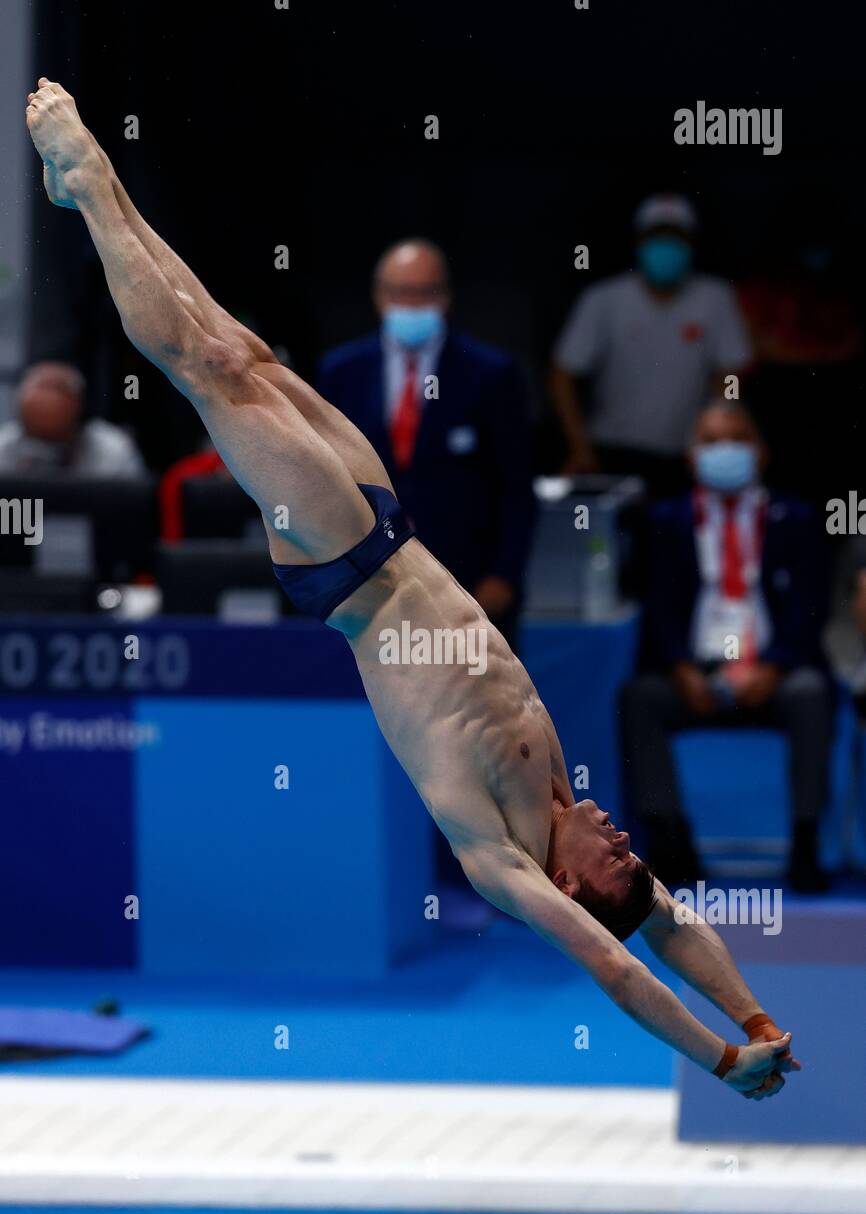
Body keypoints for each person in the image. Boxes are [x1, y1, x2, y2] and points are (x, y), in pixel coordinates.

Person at [27, 78, 798, 1101]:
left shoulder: (502, 860)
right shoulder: (573, 819)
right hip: (391, 528)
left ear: (568, 886)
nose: (620, 839)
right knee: (244, 353)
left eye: (614, 863)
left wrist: (717, 1062)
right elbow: (669, 922)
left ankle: (86, 176)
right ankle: (87, 190)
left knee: (204, 368)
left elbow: (615, 959)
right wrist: (751, 1013)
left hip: (347, 573)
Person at [621, 401, 831, 892]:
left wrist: (774, 668)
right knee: (640, 698)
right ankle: (671, 839)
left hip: (772, 672)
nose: (724, 451)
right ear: (692, 458)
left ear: (760, 453)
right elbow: (656, 603)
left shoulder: (794, 518)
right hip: (693, 671)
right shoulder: (665, 519)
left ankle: (805, 841)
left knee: (811, 694)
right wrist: (680, 667)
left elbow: (810, 606)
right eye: (711, 441)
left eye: (736, 439)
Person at [316, 239, 534, 647]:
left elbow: (517, 488)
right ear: (379, 296)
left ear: (446, 297)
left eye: (425, 292)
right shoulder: (340, 372)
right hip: (367, 585)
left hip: (471, 589)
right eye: (401, 293)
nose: (413, 304)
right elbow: (322, 478)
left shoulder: (493, 374)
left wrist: (504, 576)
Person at [550, 194, 752, 497]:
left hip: (685, 455)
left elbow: (732, 371)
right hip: (612, 448)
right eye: (657, 237)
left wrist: (718, 440)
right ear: (639, 242)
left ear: (691, 244)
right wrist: (579, 447)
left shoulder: (716, 298)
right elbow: (562, 374)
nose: (666, 248)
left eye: (676, 238)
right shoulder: (604, 299)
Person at [0, 360, 145, 478]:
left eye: (55, 438)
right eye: (39, 439)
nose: (46, 453)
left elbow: (131, 508)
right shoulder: (3, 447)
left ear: (79, 410)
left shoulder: (112, 450)